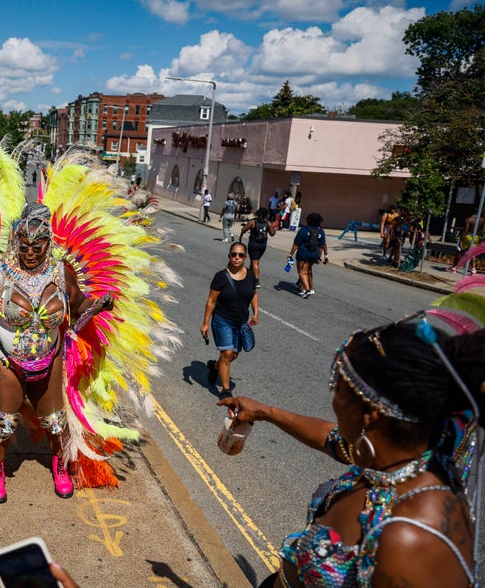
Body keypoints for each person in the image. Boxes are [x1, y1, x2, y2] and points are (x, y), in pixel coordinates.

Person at [218, 316, 483, 587]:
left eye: (338, 389)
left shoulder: (410, 539)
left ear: (369, 413)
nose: (333, 401)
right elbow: (331, 439)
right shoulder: (399, 454)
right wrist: (263, 412)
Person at [0, 203, 114, 504]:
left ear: (48, 243)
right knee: (2, 423)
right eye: (24, 246)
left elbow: (77, 308)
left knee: (56, 421)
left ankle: (59, 467)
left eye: (38, 245)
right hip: (5, 360)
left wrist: (97, 304)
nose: (31, 252)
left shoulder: (61, 273)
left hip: (50, 357)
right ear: (15, 243)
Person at [200, 241, 258, 397]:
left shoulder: (251, 275)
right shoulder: (221, 277)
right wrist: (205, 323)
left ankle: (214, 367)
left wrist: (256, 312)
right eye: (234, 254)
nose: (237, 257)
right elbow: (211, 301)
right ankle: (226, 391)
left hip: (241, 322)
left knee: (233, 355)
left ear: (245, 257)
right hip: (222, 320)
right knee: (227, 353)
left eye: (240, 255)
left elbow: (253, 294)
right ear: (229, 256)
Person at [288, 212, 328, 298]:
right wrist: (325, 255)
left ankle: (307, 289)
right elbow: (323, 245)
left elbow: (296, 244)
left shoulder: (303, 230)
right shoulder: (321, 231)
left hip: (303, 253)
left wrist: (290, 254)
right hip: (314, 253)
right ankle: (300, 286)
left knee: (302, 272)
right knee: (307, 270)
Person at [239, 207, 275, 288]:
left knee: (255, 262)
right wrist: (273, 227)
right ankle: (249, 277)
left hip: (254, 244)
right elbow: (272, 234)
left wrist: (241, 235)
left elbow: (243, 230)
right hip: (263, 245)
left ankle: (256, 280)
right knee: (255, 260)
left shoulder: (253, 222)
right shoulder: (268, 223)